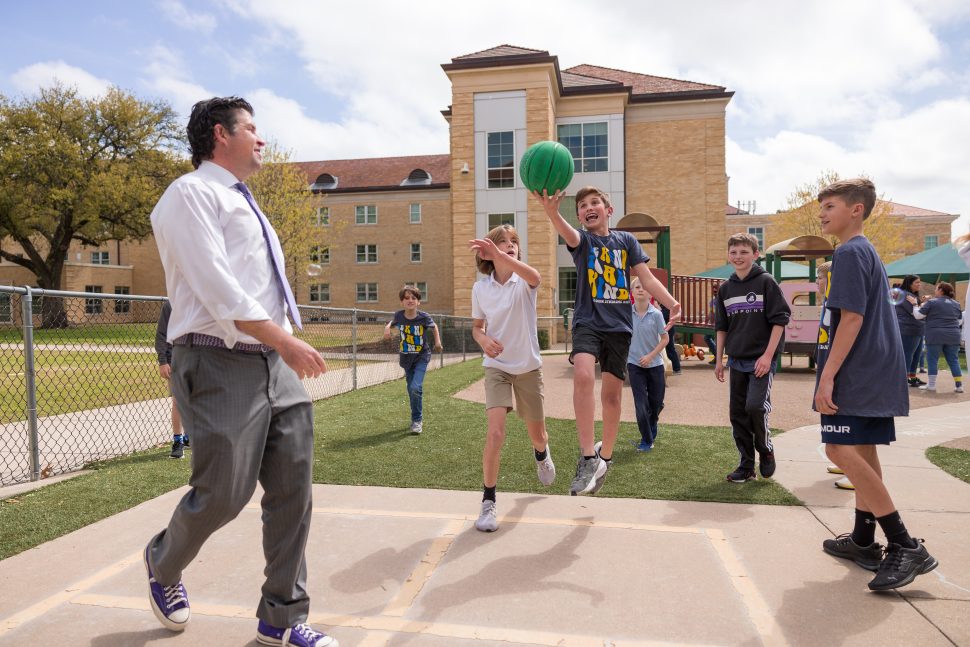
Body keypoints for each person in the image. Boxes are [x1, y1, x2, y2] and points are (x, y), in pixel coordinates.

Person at [147, 97, 336, 646]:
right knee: (224, 494)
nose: (261, 138)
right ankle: (162, 562)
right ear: (218, 134)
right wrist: (287, 340)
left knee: (292, 491)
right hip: (216, 357)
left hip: (273, 363)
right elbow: (217, 287)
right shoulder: (190, 195)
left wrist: (281, 346)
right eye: (250, 128)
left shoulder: (245, 202)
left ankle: (282, 619)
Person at [815, 178, 937, 591]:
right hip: (875, 366)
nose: (822, 213)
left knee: (838, 449)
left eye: (830, 205)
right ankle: (865, 540)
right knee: (862, 450)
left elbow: (851, 320)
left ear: (856, 210)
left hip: (859, 370)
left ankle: (904, 544)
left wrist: (827, 375)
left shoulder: (850, 252)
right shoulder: (864, 251)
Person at [535, 186, 681, 496]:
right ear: (579, 216)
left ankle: (605, 458)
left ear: (608, 209)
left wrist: (670, 302)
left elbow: (648, 277)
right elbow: (567, 233)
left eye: (595, 202)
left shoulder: (626, 241)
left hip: (619, 327)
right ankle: (588, 456)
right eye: (583, 205)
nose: (589, 207)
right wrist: (551, 211)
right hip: (589, 322)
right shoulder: (582, 240)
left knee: (612, 397)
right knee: (584, 375)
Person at [469, 224, 556, 532]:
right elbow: (477, 327)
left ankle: (542, 454)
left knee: (538, 435)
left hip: (528, 368)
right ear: (487, 254)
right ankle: (488, 502)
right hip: (496, 367)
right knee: (495, 435)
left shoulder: (524, 282)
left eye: (513, 242)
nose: (509, 245)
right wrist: (483, 340)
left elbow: (536, 277)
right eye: (501, 242)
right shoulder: (480, 288)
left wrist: (501, 256)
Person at [713, 233, 791, 483]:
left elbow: (780, 320)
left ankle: (766, 450)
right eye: (733, 252)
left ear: (755, 254)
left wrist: (768, 356)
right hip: (736, 360)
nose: (738, 257)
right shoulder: (725, 289)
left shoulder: (766, 282)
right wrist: (719, 359)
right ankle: (746, 466)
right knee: (737, 414)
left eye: (744, 252)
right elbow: (722, 326)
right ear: (728, 255)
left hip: (761, 360)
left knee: (755, 407)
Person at [383, 285, 443, 434]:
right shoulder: (399, 315)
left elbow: (434, 326)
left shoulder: (423, 317)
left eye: (413, 298)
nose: (410, 300)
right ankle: (415, 416)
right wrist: (387, 328)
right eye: (406, 298)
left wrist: (437, 342)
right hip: (406, 358)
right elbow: (393, 322)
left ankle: (417, 420)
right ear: (402, 302)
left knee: (415, 387)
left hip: (421, 357)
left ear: (418, 302)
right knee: (412, 390)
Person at [816, 262, 854, 490]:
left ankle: (854, 470)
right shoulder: (827, 303)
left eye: (820, 278)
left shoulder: (838, 304)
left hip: (839, 372)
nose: (817, 282)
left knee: (846, 422)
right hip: (825, 365)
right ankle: (844, 462)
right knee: (831, 422)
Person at [627, 276, 668, 452]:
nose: (641, 289)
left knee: (656, 403)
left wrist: (651, 356)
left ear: (650, 292)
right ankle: (646, 439)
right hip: (634, 366)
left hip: (656, 365)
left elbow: (665, 339)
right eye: (637, 286)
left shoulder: (657, 315)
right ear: (632, 292)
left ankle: (655, 413)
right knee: (641, 404)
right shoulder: (626, 314)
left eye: (644, 286)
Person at [913, 282, 964, 393]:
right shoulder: (956, 304)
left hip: (935, 335)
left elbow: (918, 315)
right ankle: (959, 386)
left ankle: (931, 385)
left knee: (932, 360)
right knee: (954, 360)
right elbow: (959, 321)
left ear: (941, 290)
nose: (935, 291)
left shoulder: (931, 302)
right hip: (953, 335)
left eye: (936, 289)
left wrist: (914, 304)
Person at [154, 301, 189, 459]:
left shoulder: (203, 298)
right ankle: (178, 441)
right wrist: (163, 361)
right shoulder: (171, 304)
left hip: (199, 360)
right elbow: (161, 335)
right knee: (178, 402)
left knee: (196, 401)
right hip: (175, 360)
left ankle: (190, 437)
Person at [894, 275, 926, 387]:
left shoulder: (913, 296)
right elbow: (914, 312)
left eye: (919, 282)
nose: (919, 284)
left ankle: (912, 377)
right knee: (908, 354)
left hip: (918, 329)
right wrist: (921, 305)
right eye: (917, 282)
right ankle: (904, 378)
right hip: (908, 329)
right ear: (909, 283)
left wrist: (921, 303)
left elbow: (919, 311)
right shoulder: (904, 295)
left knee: (916, 355)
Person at [660, 304, 682, 375]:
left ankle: (677, 368)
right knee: (669, 349)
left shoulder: (667, 306)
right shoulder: (663, 306)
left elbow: (665, 316)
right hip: (666, 329)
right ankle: (675, 367)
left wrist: (659, 310)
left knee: (670, 348)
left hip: (669, 330)